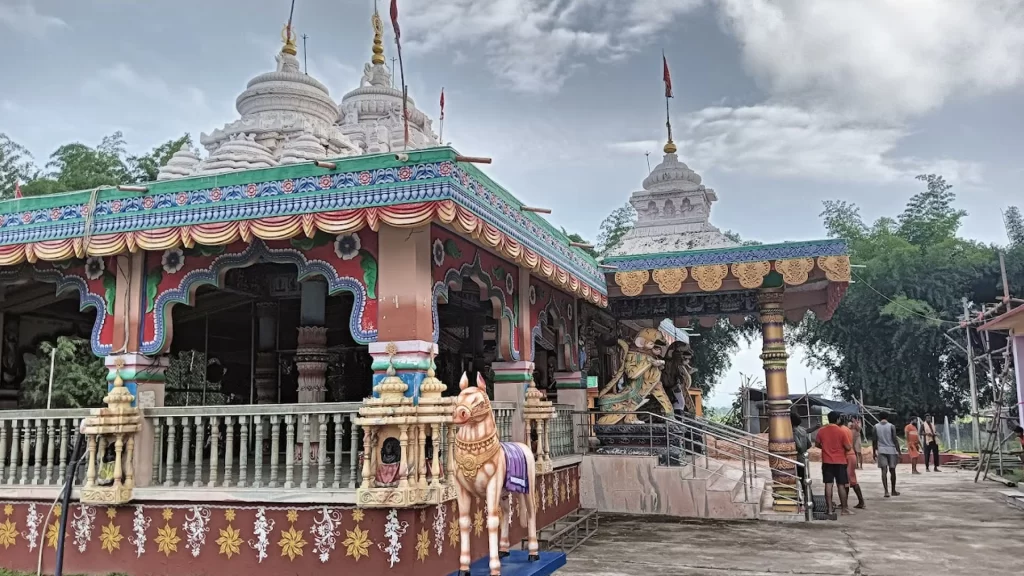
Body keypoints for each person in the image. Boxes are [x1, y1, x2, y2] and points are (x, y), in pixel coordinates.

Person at [815, 411, 852, 516]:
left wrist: (825, 448)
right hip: (840, 461)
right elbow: (848, 447)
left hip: (827, 461)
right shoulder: (841, 431)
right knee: (841, 484)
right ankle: (844, 509)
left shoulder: (821, 431)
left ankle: (830, 509)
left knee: (828, 484)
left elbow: (817, 444)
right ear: (838, 419)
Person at [873, 412, 901, 497]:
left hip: (881, 450)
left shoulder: (876, 427)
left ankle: (886, 491)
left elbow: (874, 440)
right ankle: (893, 490)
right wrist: (899, 452)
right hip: (891, 450)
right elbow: (895, 439)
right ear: (887, 417)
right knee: (892, 471)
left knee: (883, 471)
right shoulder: (891, 426)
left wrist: (874, 451)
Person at [843, 416, 865, 509]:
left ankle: (861, 501)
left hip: (848, 454)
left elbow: (859, 429)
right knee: (846, 480)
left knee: (851, 480)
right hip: (849, 455)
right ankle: (844, 502)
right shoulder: (846, 429)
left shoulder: (844, 430)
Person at [791, 411, 811, 505]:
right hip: (804, 458)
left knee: (799, 481)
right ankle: (809, 500)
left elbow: (798, 445)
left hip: (798, 459)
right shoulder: (802, 430)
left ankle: (803, 501)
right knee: (805, 481)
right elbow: (809, 444)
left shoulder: (794, 431)